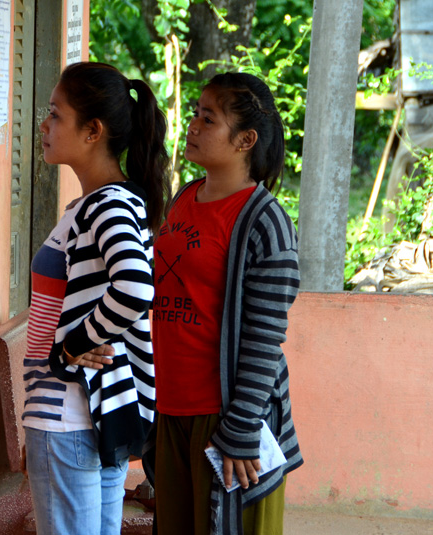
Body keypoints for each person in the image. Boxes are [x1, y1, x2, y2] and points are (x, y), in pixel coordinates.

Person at [21, 61, 170, 535]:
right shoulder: (102, 204)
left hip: (69, 414)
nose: (44, 125)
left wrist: (70, 347)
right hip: (93, 415)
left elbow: (134, 286)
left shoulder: (106, 205)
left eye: (55, 114)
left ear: (92, 131)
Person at [151, 72, 302, 535]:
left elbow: (265, 336)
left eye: (208, 118)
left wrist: (240, 429)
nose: (193, 125)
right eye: (195, 114)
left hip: (228, 420)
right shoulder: (182, 200)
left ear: (246, 140)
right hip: (172, 410)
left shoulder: (265, 221)